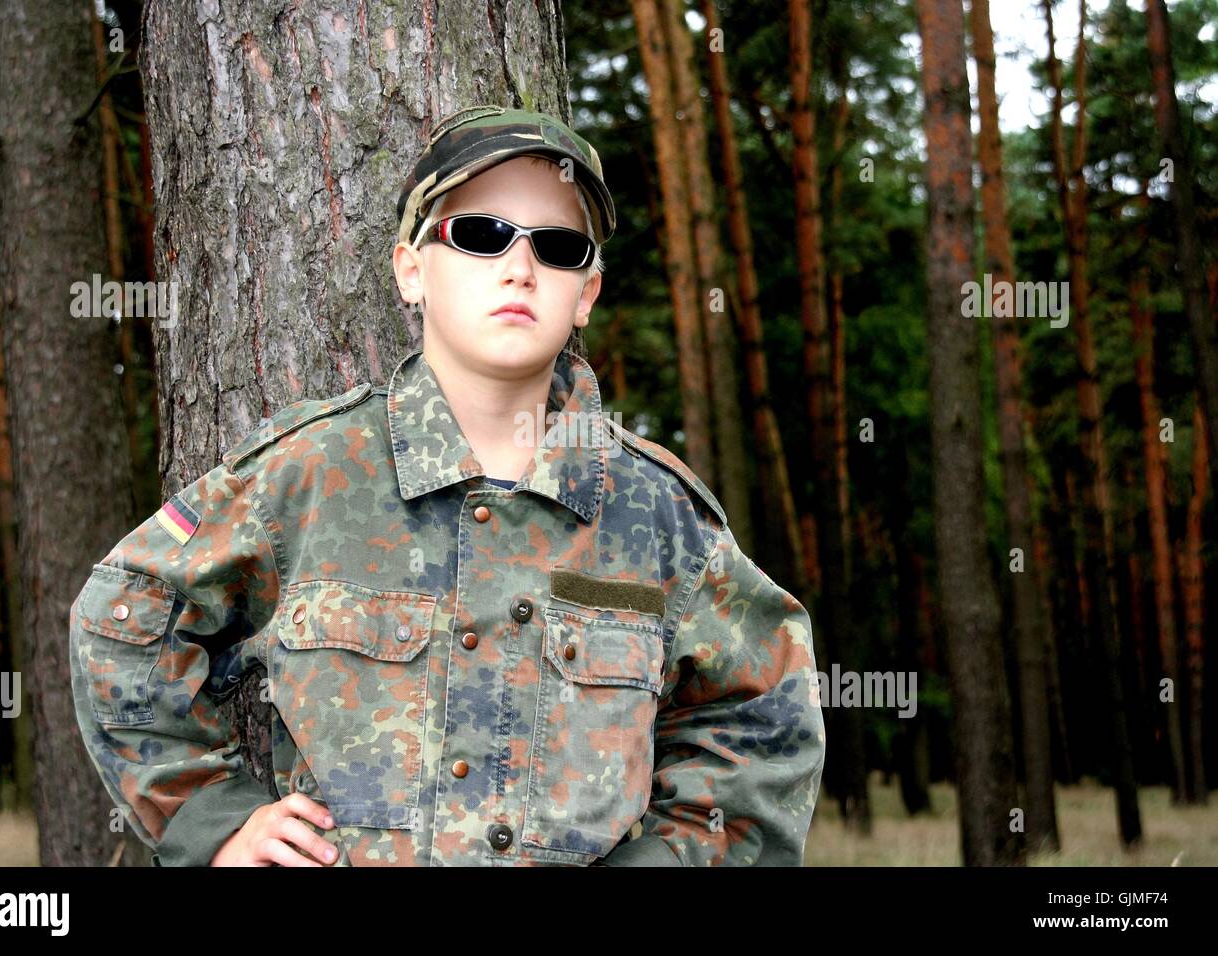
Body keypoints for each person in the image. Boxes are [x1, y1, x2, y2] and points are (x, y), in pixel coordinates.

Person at [69, 104, 825, 867]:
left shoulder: (658, 515)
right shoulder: (311, 478)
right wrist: (213, 822)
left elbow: (763, 721)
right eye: (480, 233)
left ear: (586, 293)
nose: (519, 267)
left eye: (557, 247)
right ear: (412, 270)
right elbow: (125, 619)